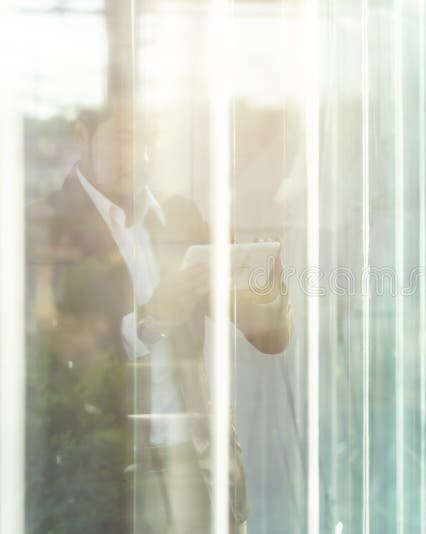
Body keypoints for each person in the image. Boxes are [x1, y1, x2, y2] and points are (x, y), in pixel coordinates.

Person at [25, 93, 292, 533]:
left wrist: (265, 285)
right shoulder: (41, 227)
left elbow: (270, 339)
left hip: (198, 469)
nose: (143, 155)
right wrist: (150, 321)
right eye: (128, 139)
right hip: (103, 475)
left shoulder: (180, 218)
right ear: (80, 137)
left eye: (152, 138)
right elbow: (46, 360)